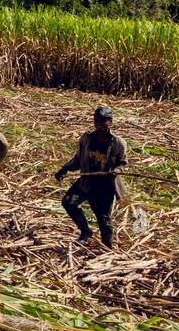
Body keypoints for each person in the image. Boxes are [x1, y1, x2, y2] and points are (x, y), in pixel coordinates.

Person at [55, 105, 128, 247]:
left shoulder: (118, 143)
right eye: (96, 121)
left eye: (103, 121)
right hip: (86, 183)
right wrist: (64, 169)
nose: (99, 125)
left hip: (104, 187)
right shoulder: (87, 139)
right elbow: (78, 159)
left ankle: (107, 247)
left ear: (110, 122)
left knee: (103, 218)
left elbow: (123, 163)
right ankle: (85, 231)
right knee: (69, 202)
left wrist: (117, 170)